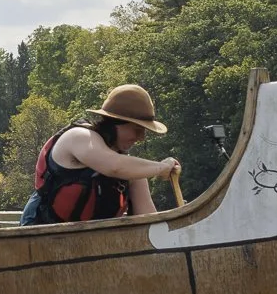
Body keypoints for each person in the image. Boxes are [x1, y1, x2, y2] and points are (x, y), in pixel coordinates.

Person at [22, 83, 182, 224]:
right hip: (40, 234)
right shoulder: (79, 137)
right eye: (137, 130)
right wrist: (161, 167)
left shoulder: (132, 170)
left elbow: (148, 220)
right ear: (115, 124)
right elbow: (113, 167)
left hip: (89, 245)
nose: (141, 138)